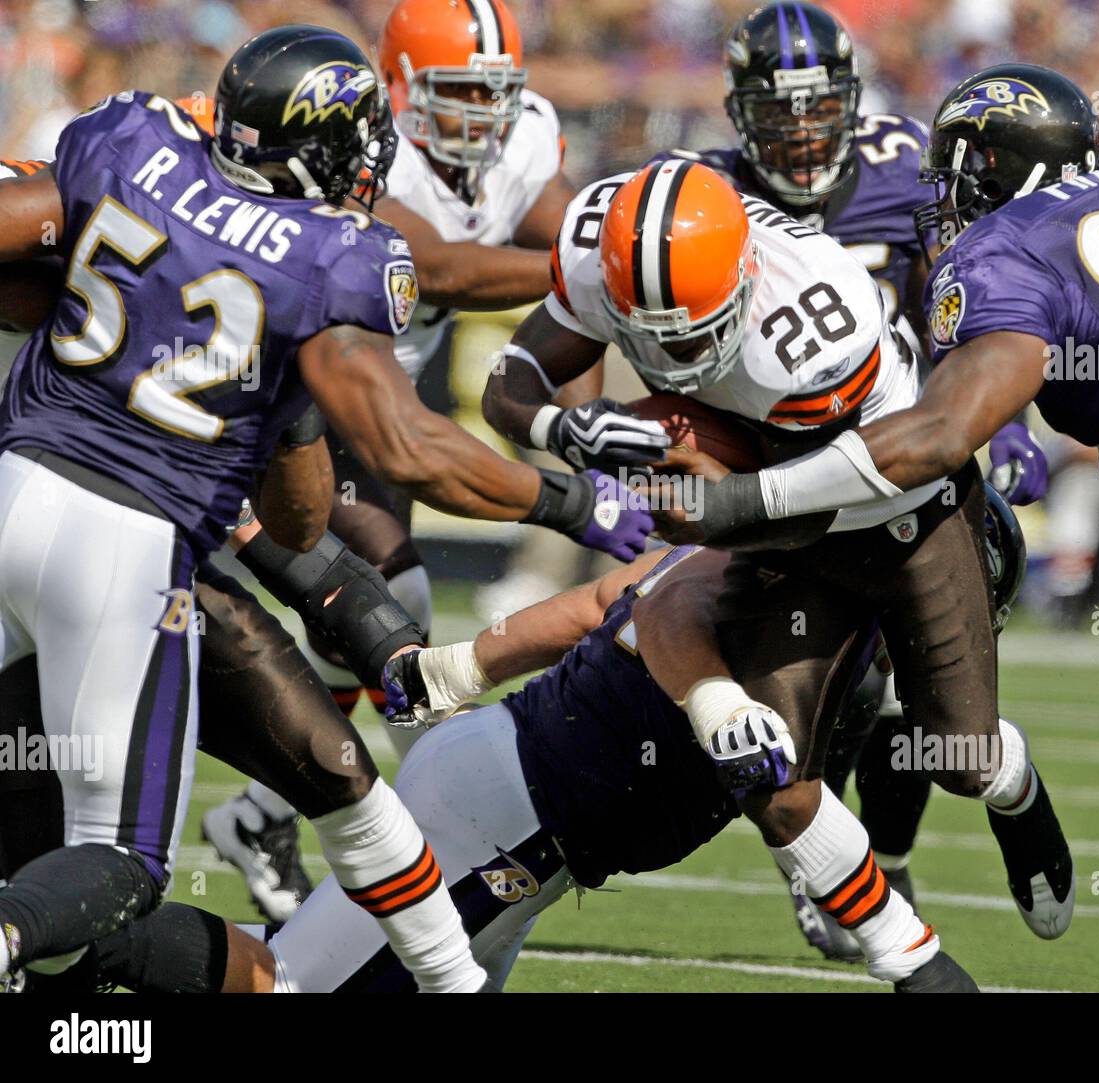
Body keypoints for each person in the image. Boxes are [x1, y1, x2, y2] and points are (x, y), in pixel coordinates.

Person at [0, 24, 651, 992]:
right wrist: (574, 504)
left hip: (16, 485)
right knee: (125, 862)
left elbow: (24, 233)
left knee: (341, 778)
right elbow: (401, 452)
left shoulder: (131, 140)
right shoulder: (332, 257)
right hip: (128, 551)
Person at [660, 62, 1099, 990]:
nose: (945, 196)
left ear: (993, 168)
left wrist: (739, 503)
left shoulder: (1003, 247)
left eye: (958, 171)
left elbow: (940, 432)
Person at [481, 157, 1076, 946]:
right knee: (772, 771)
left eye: (692, 330)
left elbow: (858, 484)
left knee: (960, 758)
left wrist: (721, 503)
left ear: (744, 276)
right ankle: (900, 946)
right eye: (646, 334)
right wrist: (564, 430)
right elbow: (510, 380)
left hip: (894, 507)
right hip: (770, 503)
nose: (673, 356)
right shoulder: (602, 252)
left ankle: (1016, 783)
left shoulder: (812, 323)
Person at [72, 544, 979, 993]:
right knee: (285, 985)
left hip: (518, 812)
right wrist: (909, 951)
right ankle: (61, 937)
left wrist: (464, 666)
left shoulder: (791, 564)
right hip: (507, 825)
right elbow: (783, 799)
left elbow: (599, 598)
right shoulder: (791, 607)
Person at [201, 0, 602, 923]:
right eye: (460, 93)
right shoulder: (368, 146)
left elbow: (561, 237)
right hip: (318, 384)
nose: (483, 117)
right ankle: (428, 847)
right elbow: (446, 271)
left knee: (373, 615)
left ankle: (270, 813)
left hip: (388, 387)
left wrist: (602, 305)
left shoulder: (525, 138)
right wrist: (587, 270)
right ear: (401, 90)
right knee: (393, 610)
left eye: (496, 94)